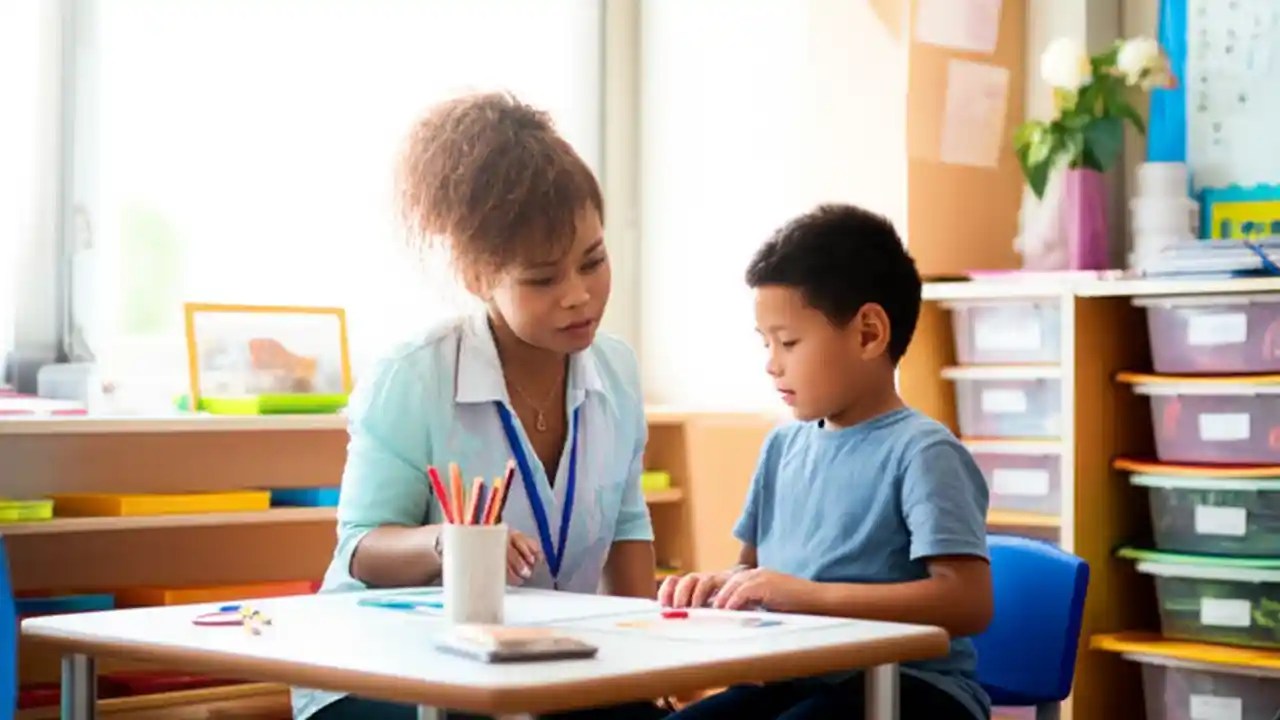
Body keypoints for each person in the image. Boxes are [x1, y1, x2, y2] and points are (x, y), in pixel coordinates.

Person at [293, 91, 663, 720]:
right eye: (542, 279)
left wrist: (649, 671)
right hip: (380, 670)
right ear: (477, 277)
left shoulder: (617, 372)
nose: (579, 295)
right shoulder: (412, 376)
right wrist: (449, 544)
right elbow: (360, 546)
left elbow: (628, 528)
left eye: (593, 261)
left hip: (538, 670)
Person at [659, 204, 994, 720]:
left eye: (789, 342)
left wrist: (806, 595)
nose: (772, 363)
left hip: (915, 688)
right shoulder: (781, 448)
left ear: (868, 333)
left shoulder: (923, 452)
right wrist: (719, 587)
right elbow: (753, 571)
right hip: (803, 677)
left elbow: (967, 603)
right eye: (765, 342)